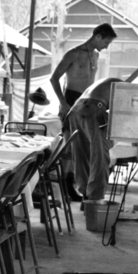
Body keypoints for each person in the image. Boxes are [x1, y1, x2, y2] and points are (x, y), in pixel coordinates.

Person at [49, 23, 117, 200]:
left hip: (89, 101)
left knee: (87, 147)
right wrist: (63, 103)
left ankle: (80, 185)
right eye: (106, 42)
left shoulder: (95, 55)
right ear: (98, 36)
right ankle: (66, 183)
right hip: (71, 99)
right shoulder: (74, 53)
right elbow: (54, 78)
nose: (106, 47)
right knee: (70, 145)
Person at [68, 77, 121, 201]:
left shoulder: (111, 82)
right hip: (93, 108)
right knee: (101, 155)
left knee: (82, 154)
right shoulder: (130, 90)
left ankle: (86, 197)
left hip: (76, 109)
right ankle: (95, 199)